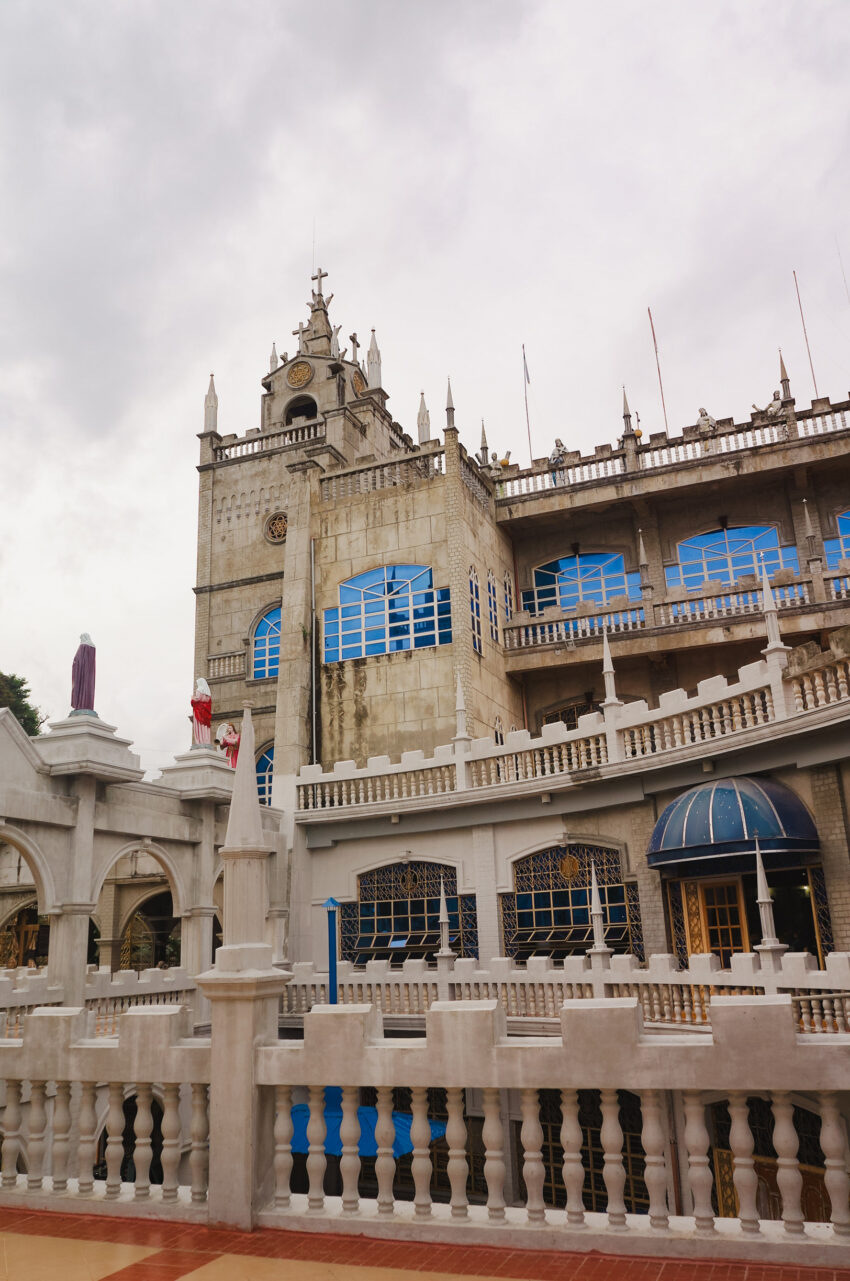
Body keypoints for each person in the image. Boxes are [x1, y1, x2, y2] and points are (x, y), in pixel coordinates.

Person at [71, 633, 96, 712]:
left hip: (81, 673)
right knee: (87, 688)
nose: (81, 640)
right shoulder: (92, 648)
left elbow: (78, 660)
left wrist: (75, 663)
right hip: (89, 675)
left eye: (81, 638)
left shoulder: (83, 646)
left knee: (80, 687)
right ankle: (86, 705)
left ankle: (80, 705)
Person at [191, 678, 213, 746]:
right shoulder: (208, 694)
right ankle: (206, 740)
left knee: (199, 726)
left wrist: (192, 699)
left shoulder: (199, 689)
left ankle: (200, 741)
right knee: (205, 727)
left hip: (198, 711)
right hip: (205, 712)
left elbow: (196, 700)